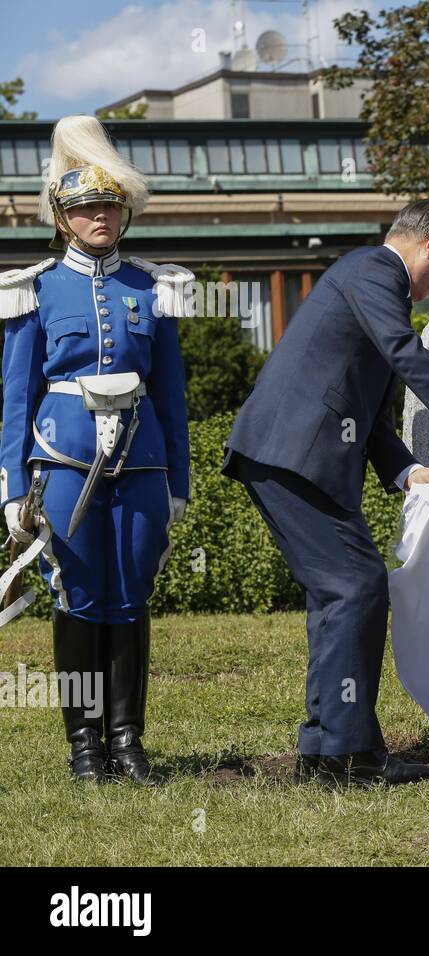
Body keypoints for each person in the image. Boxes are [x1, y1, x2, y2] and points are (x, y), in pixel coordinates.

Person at [222, 198, 429, 788]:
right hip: (291, 456)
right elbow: (404, 351)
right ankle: (346, 756)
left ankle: (326, 750)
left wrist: (406, 471)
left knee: (343, 593)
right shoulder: (372, 269)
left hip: (290, 457)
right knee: (355, 587)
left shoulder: (370, 286)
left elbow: (367, 414)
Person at [0, 115, 192, 784]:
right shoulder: (35, 287)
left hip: (141, 462)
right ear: (63, 217)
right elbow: (18, 396)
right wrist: (12, 485)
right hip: (62, 461)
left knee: (132, 596)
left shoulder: (152, 286)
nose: (100, 216)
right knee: (78, 597)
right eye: (85, 207)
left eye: (109, 204)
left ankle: (128, 741)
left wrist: (179, 481)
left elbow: (171, 395)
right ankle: (85, 747)